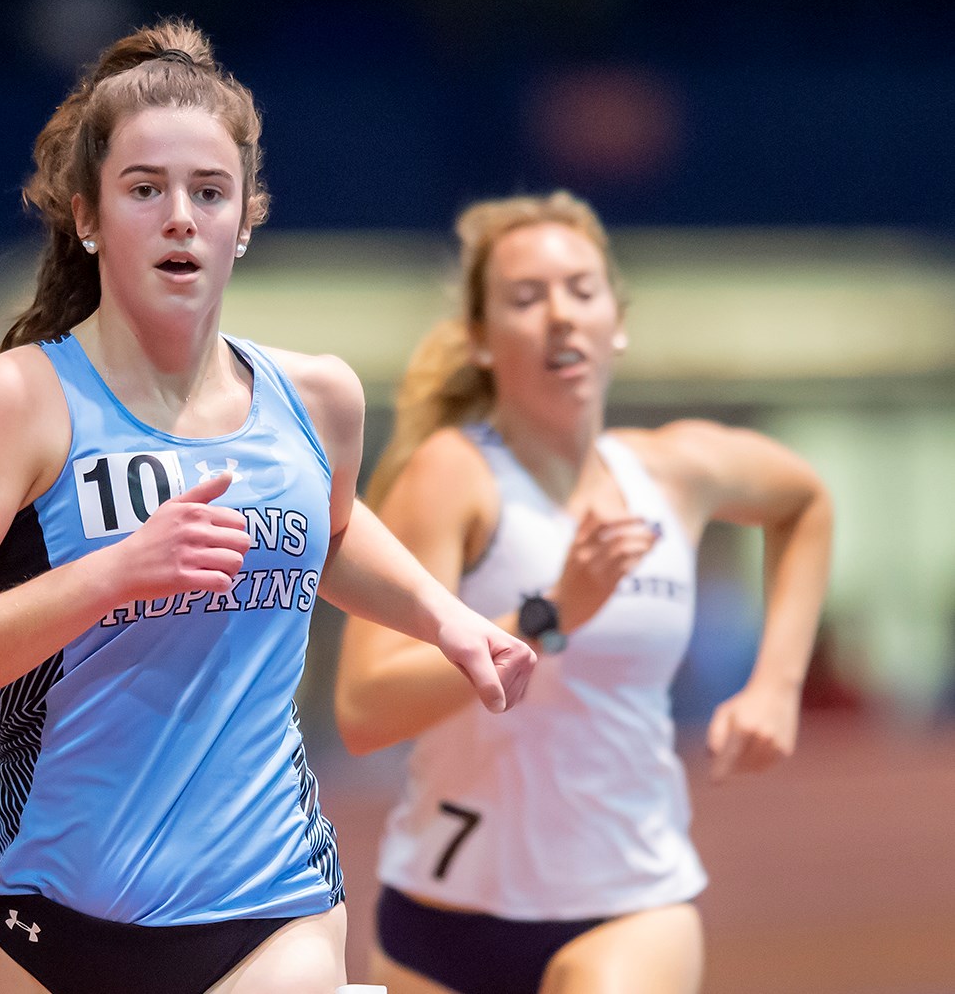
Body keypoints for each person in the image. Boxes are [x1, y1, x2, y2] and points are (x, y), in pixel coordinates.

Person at [0, 20, 535, 994]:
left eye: (209, 193)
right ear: (87, 215)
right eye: (145, 190)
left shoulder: (319, 400)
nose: (181, 217)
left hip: (267, 907)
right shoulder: (16, 405)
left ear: (246, 218)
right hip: (42, 921)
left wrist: (449, 620)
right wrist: (116, 572)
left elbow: (329, 529)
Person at [336, 191, 833, 994]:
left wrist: (776, 685)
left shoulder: (675, 471)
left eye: (582, 290)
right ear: (481, 341)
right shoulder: (452, 477)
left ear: (618, 322)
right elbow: (365, 710)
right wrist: (549, 615)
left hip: (631, 900)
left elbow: (804, 502)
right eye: (526, 299)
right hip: (444, 914)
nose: (560, 316)